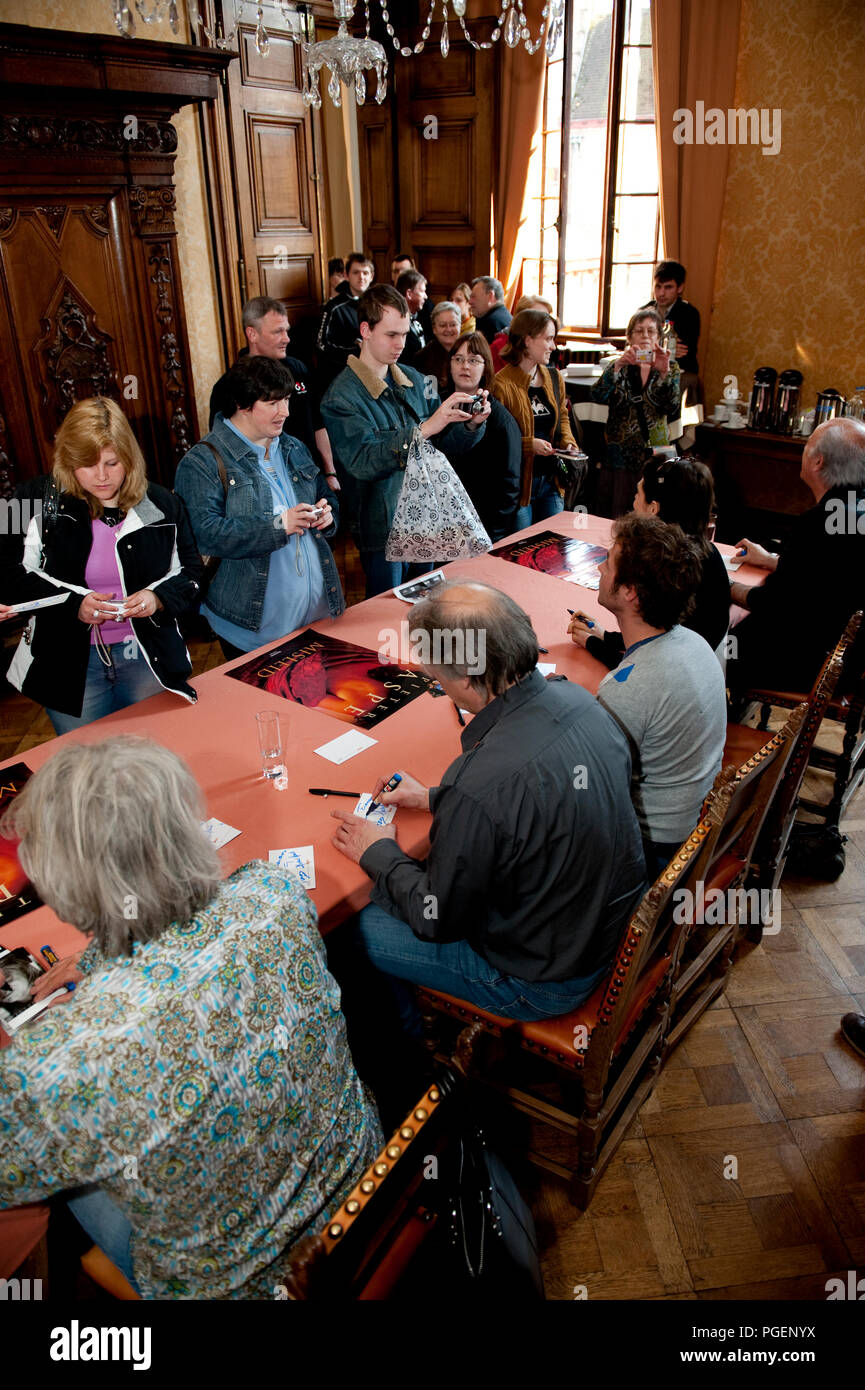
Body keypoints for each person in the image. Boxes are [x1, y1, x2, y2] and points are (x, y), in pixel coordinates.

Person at [0, 737, 381, 1300]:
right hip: (362, 1196)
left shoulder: (54, 1068)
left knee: (57, 1187)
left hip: (245, 1286)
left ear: (60, 888)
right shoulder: (273, 894)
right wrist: (112, 952)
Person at [330, 582, 647, 1020]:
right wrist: (435, 799)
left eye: (434, 675)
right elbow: (538, 801)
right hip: (601, 932)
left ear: (464, 678)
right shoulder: (579, 700)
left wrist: (378, 853)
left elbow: (434, 917)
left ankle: (408, 1059)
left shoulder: (478, 785)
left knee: (346, 931)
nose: (434, 681)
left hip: (539, 980)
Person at [0, 397, 202, 734]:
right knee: (88, 767)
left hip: (146, 656)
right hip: (67, 665)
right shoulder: (26, 499)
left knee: (151, 760)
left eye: (112, 462)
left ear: (130, 457)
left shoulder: (163, 502)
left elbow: (191, 570)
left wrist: (157, 598)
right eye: (87, 464)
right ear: (66, 460)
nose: (101, 476)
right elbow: (4, 571)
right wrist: (73, 604)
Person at [570, 514, 727, 878]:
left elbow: (589, 790)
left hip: (649, 849)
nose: (598, 567)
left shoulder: (627, 689)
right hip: (691, 825)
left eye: (607, 563)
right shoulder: (695, 643)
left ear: (630, 592)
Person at [320, 284, 490, 598]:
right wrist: (424, 429)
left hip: (426, 516)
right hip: (380, 525)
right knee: (387, 613)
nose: (401, 343)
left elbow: (442, 448)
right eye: (391, 335)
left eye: (404, 333)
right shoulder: (340, 397)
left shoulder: (414, 378)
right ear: (366, 330)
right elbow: (363, 461)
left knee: (427, 606)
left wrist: (470, 426)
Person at [175, 356, 343, 662]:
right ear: (241, 403)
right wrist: (278, 526)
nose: (285, 412)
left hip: (318, 615)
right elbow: (206, 534)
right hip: (252, 628)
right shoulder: (201, 462)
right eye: (272, 403)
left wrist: (327, 514)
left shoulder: (293, 446)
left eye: (287, 400)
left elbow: (326, 498)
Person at [727, 417, 865, 701]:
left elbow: (773, 603)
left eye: (807, 445)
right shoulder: (854, 512)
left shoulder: (818, 522)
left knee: (707, 645)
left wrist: (723, 584)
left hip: (813, 664)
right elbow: (831, 573)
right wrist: (772, 561)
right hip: (850, 660)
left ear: (818, 462)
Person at [573, 455, 730, 669]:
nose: (633, 503)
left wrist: (594, 644)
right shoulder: (705, 554)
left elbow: (650, 672)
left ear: (653, 509)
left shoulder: (673, 572)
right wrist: (606, 637)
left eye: (637, 495)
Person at [209, 295, 339, 493]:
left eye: (286, 330)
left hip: (310, 478)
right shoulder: (228, 386)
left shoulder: (299, 368)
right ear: (252, 334)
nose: (286, 338)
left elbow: (318, 425)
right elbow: (224, 448)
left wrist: (330, 473)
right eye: (278, 332)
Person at [492, 307, 580, 528]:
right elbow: (495, 440)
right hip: (520, 487)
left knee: (552, 548)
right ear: (527, 340)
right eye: (548, 339)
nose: (553, 346)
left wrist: (568, 443)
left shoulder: (553, 376)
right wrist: (528, 445)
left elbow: (562, 416)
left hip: (551, 482)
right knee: (521, 552)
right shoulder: (501, 384)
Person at [591, 308, 681, 518]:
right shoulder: (618, 365)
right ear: (629, 336)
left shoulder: (671, 366)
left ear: (659, 336)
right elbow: (597, 395)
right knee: (617, 515)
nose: (646, 336)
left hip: (653, 455)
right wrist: (617, 367)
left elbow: (671, 407)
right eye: (639, 331)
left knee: (652, 515)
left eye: (651, 331)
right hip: (619, 454)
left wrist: (664, 373)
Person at [443, 332, 520, 541]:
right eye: (458, 359)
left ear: (485, 366)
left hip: (482, 528)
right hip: (443, 525)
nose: (464, 366)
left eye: (473, 360)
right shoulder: (437, 407)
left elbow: (509, 487)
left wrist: (493, 534)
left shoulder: (501, 421)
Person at [316, 252, 374, 386]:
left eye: (365, 273)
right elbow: (321, 345)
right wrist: (355, 350)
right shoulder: (333, 307)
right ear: (347, 275)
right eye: (356, 273)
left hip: (374, 373)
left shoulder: (378, 304)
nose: (361, 277)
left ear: (372, 276)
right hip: (342, 375)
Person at [642, 259, 700, 377]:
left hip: (679, 375)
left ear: (680, 288)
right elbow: (633, 350)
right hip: (647, 375)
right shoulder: (644, 312)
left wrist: (649, 346)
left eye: (668, 287)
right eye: (658, 286)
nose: (661, 293)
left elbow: (682, 356)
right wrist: (663, 346)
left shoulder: (690, 314)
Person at [489, 294, 553, 374]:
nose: (543, 324)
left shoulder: (545, 344)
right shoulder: (499, 346)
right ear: (520, 319)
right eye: (537, 318)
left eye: (546, 318)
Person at [414, 300, 463, 394]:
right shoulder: (421, 359)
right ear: (434, 329)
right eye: (443, 325)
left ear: (460, 326)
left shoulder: (470, 352)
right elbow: (427, 397)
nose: (448, 329)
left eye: (453, 324)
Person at [395, 269, 428, 365]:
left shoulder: (418, 319)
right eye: (422, 291)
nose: (425, 296)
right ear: (409, 294)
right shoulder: (396, 323)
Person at [469, 276, 512, 343]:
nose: (470, 301)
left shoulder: (491, 323)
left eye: (474, 297)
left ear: (490, 296)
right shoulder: (503, 316)